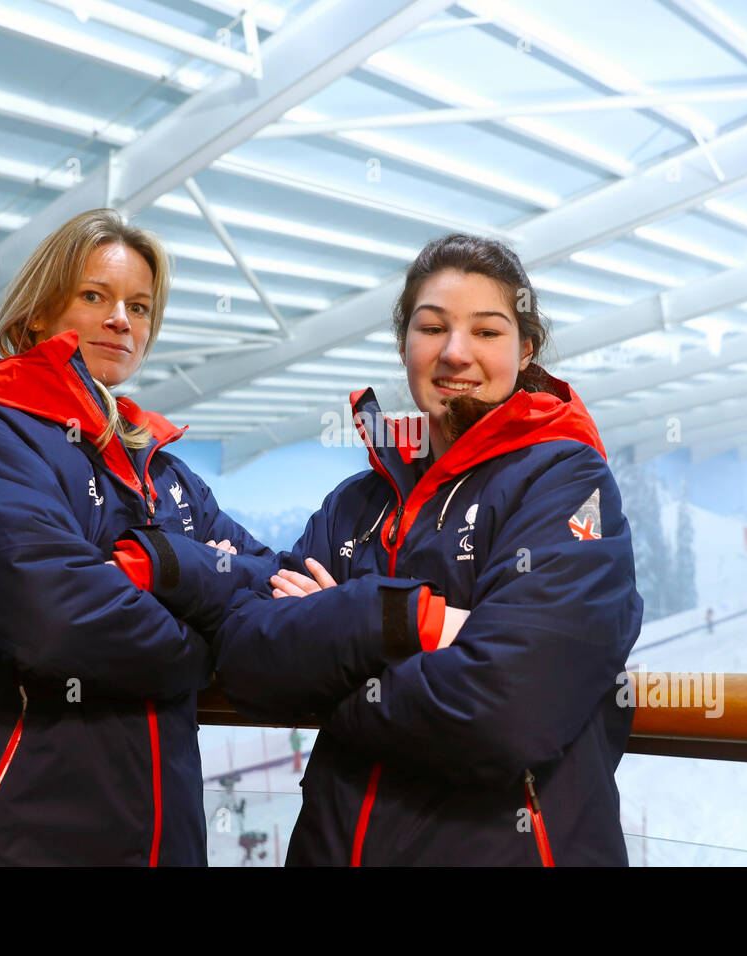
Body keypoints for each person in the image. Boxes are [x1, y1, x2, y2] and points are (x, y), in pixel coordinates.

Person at [193, 234, 643, 865]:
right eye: (432, 328)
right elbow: (246, 652)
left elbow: (510, 709)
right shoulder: (359, 501)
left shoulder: (566, 483)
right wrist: (402, 620)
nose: (456, 353)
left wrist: (337, 682)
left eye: (487, 332)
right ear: (405, 344)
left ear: (525, 349)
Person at [0, 209, 274, 867]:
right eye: (96, 296)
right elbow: (58, 618)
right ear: (38, 313)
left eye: (140, 307)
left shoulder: (160, 469)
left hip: (156, 834)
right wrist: (202, 648)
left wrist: (163, 567)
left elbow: (267, 575)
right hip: (6, 830)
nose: (124, 319)